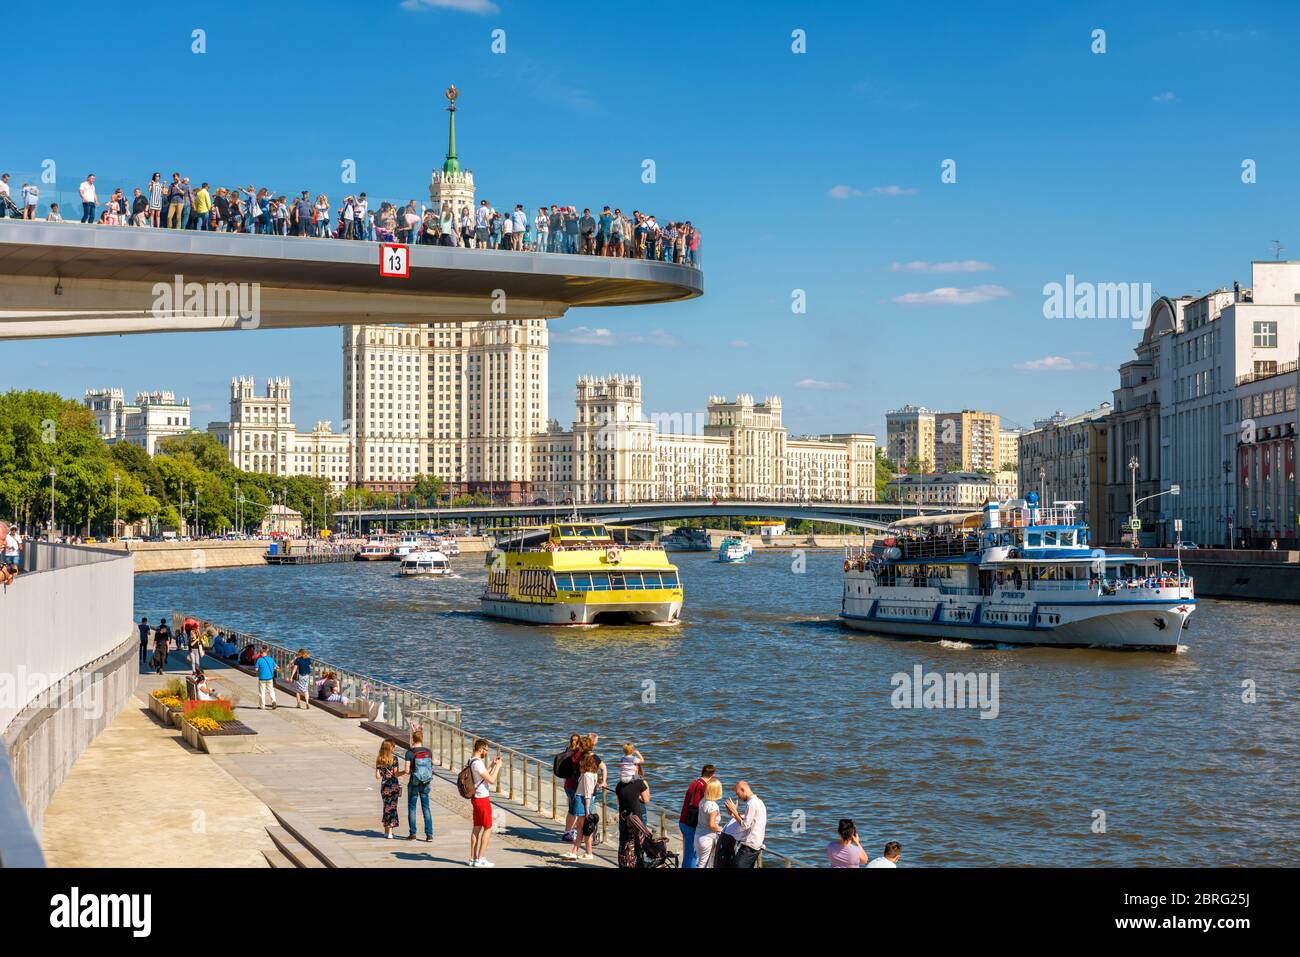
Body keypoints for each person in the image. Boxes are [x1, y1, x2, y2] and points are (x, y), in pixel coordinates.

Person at [468, 738, 502, 867]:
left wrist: (492, 765)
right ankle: (481, 858)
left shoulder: (472, 761)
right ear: (481, 749)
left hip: (476, 798)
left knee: (476, 828)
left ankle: (473, 858)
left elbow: (483, 776)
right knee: (488, 827)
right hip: (482, 799)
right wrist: (498, 767)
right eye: (486, 750)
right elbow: (491, 779)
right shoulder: (478, 763)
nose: (487, 752)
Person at [722, 780, 766, 868]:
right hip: (755, 845)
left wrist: (734, 811)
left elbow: (745, 825)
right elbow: (748, 823)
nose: (738, 796)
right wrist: (734, 814)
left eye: (738, 793)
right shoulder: (759, 802)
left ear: (743, 790)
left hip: (750, 846)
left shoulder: (751, 803)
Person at [678, 763, 715, 868]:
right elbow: (706, 807)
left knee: (688, 854)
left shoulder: (694, 782)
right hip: (691, 824)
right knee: (692, 855)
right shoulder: (704, 787)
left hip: (683, 821)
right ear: (712, 775)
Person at [565, 752, 600, 862]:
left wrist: (586, 809)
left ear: (586, 763)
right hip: (581, 801)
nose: (579, 762)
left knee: (584, 829)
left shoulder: (587, 775)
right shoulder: (591, 774)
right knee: (580, 828)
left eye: (581, 761)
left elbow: (587, 793)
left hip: (582, 802)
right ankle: (575, 852)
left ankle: (587, 852)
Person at [403, 730, 434, 842]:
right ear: (422, 739)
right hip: (426, 782)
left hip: (414, 782)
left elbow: (407, 770)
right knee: (426, 808)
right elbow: (430, 767)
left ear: (413, 739)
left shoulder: (409, 753)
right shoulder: (428, 751)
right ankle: (429, 835)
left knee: (412, 808)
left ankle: (413, 834)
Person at [615, 771, 650, 866]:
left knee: (623, 843)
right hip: (636, 818)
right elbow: (646, 799)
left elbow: (618, 801)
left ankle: (624, 863)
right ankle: (637, 863)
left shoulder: (619, 785)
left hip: (624, 817)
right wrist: (635, 795)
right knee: (637, 843)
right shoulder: (639, 783)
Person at [693, 777, 725, 868]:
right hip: (707, 838)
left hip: (698, 836)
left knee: (701, 863)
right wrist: (721, 829)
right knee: (703, 865)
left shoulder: (702, 801)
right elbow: (712, 825)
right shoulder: (713, 806)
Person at [375, 740, 402, 839]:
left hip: (384, 786)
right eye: (393, 747)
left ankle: (386, 831)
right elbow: (396, 774)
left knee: (386, 807)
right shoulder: (394, 759)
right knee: (392, 808)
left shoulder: (379, 759)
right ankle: (390, 832)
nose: (394, 748)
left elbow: (378, 776)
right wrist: (405, 772)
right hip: (393, 786)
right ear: (390, 748)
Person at [558, 733, 582, 841]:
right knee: (576, 811)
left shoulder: (567, 750)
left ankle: (569, 831)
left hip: (567, 784)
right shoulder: (577, 754)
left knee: (571, 809)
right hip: (575, 786)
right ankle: (569, 832)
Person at [255, 644, 278, 709]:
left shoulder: (259, 660)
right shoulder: (271, 659)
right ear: (266, 652)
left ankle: (262, 706)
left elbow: (256, 669)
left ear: (261, 653)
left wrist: (259, 671)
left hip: (262, 678)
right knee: (271, 690)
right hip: (270, 677)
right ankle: (273, 701)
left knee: (262, 692)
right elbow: (275, 667)